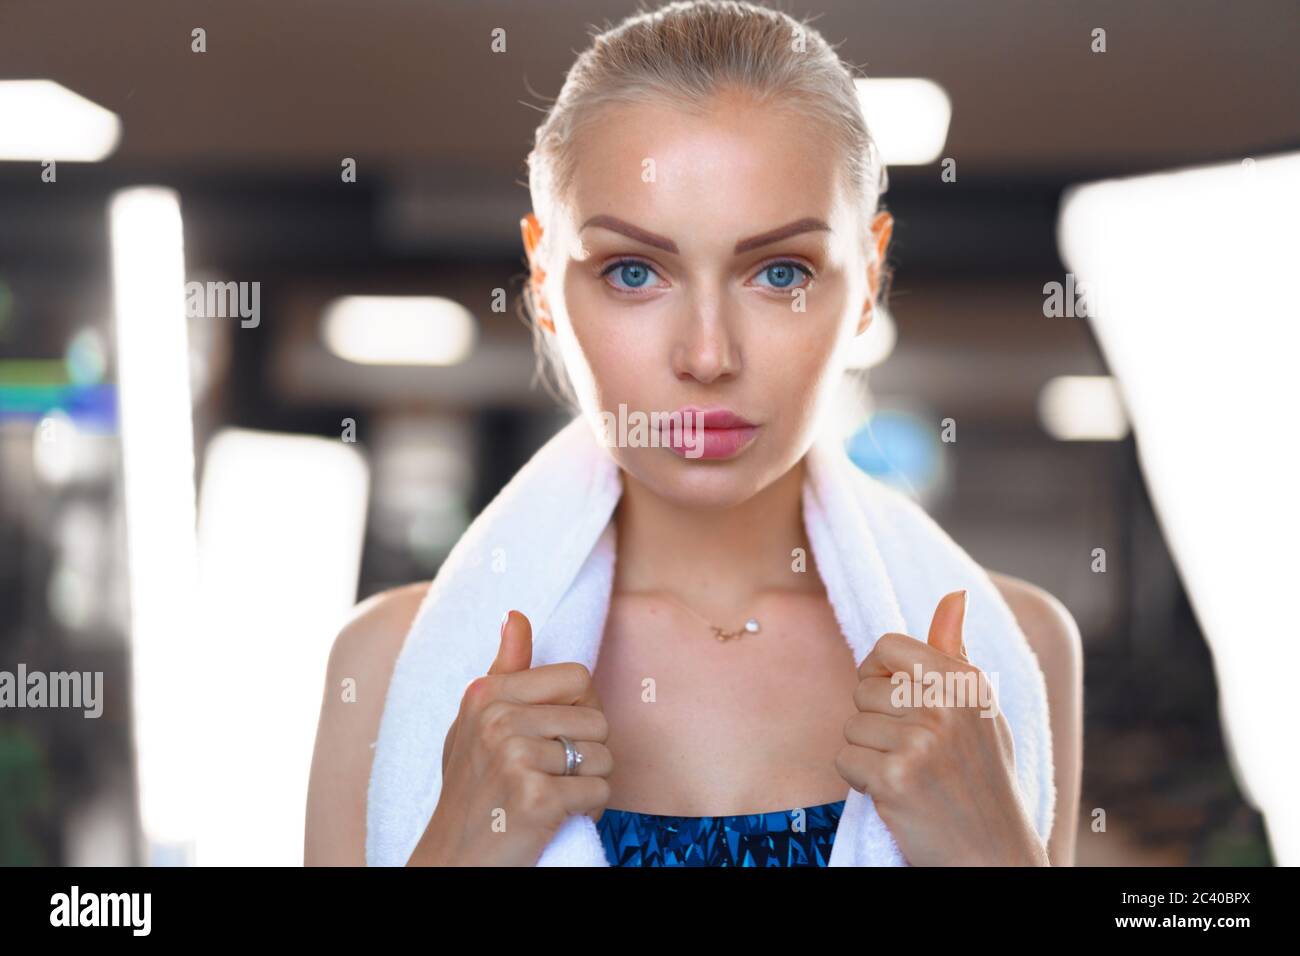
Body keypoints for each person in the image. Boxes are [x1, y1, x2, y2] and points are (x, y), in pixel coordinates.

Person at [305, 0, 1082, 867]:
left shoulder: (1016, 651)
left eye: (779, 271)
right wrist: (456, 846)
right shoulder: (383, 664)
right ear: (542, 276)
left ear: (866, 279)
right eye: (634, 272)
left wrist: (993, 851)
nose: (708, 355)